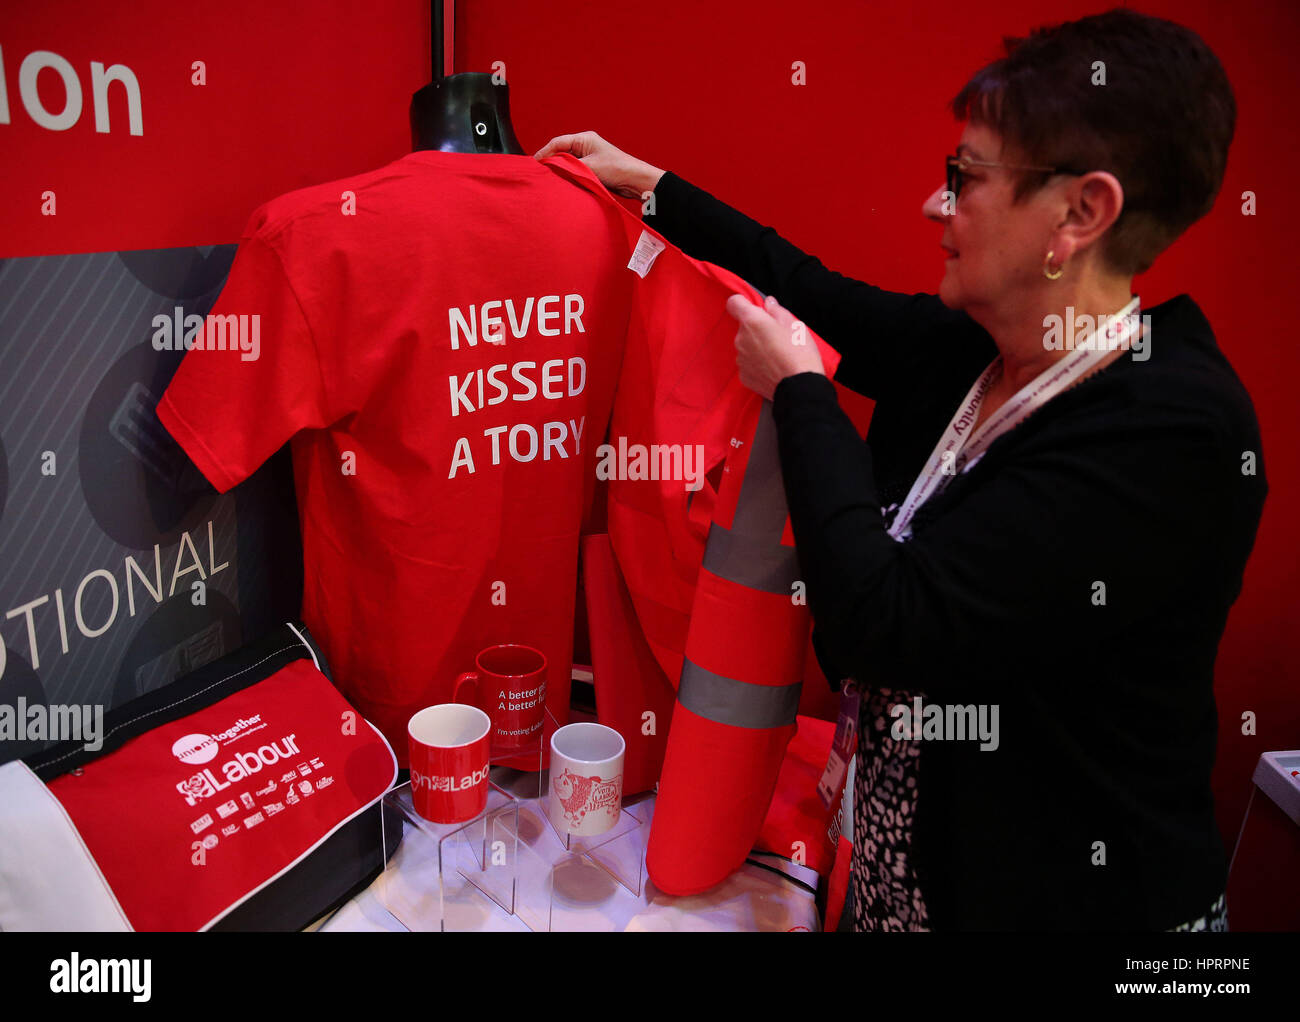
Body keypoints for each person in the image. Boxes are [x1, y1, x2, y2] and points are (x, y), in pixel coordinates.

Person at [536, 7, 1266, 931]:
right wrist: (656, 189)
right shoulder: (986, 352)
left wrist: (802, 395)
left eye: (966, 178)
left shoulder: (1171, 433)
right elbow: (811, 290)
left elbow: (889, 619)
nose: (936, 203)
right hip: (899, 879)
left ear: (1081, 213)